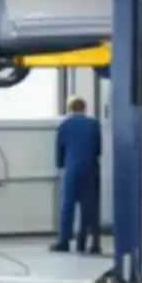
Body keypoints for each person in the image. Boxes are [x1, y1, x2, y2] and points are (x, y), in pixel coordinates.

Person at [52, 96, 102, 254]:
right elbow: (98, 149)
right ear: (84, 108)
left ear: (69, 108)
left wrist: (60, 165)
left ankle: (64, 241)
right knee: (90, 207)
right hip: (90, 169)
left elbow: (60, 150)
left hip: (72, 169)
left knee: (67, 206)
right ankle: (88, 242)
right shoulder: (94, 124)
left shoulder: (64, 125)